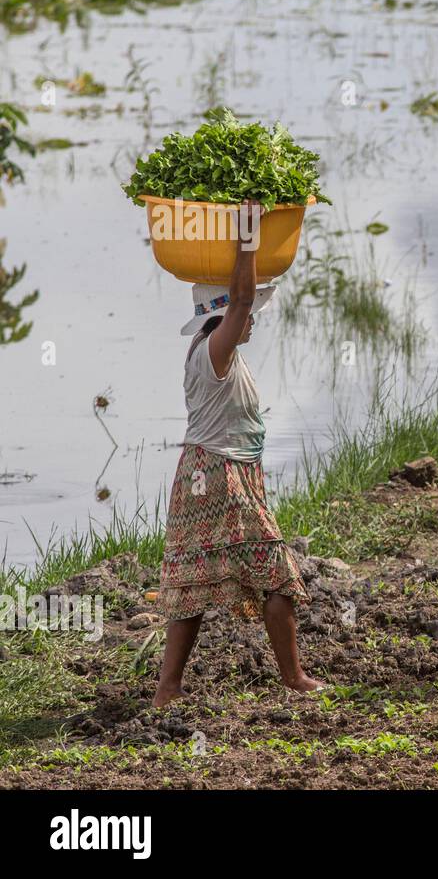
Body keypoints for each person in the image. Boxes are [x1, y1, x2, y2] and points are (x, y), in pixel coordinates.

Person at [151, 201, 322, 708]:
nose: (252, 322)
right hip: (218, 475)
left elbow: (244, 304)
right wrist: (249, 235)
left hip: (213, 472)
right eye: (244, 315)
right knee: (278, 572)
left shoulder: (217, 353)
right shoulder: (215, 350)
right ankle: (294, 679)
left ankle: (168, 689)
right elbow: (244, 299)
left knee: (194, 578)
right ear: (223, 315)